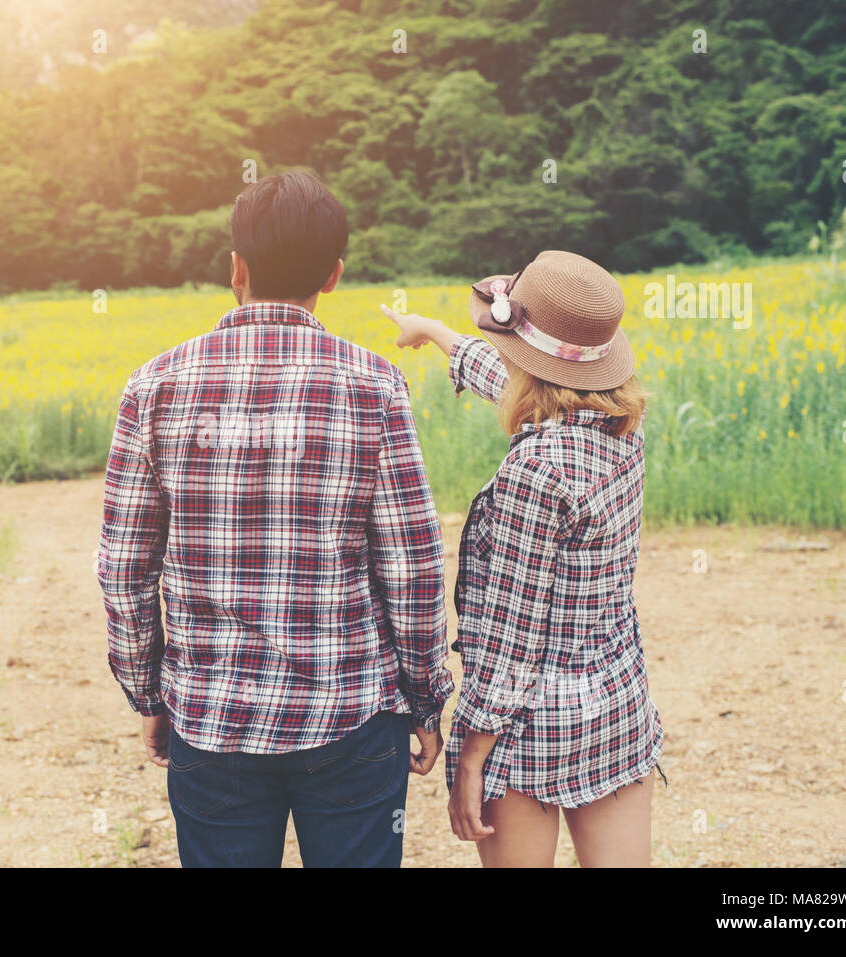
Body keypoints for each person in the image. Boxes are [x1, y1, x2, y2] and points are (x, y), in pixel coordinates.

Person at [96, 170, 454, 867]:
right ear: (334, 274)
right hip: (352, 720)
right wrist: (424, 698)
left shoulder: (154, 386)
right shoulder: (374, 386)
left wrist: (148, 690)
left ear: (238, 268)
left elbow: (122, 568)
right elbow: (412, 566)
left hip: (211, 717)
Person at [382, 249, 666, 867]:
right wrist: (433, 334)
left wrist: (471, 758)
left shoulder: (534, 472)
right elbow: (513, 376)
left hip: (528, 733)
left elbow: (512, 645)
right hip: (615, 707)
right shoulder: (623, 425)